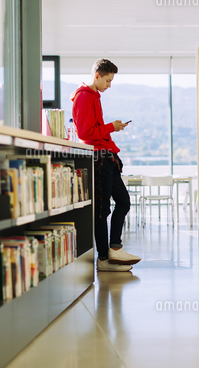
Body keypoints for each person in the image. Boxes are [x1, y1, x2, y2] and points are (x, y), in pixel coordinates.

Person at [70, 59, 141, 272]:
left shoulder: (93, 97)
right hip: (99, 158)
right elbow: (84, 133)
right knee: (102, 210)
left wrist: (111, 128)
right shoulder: (84, 97)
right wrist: (110, 127)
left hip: (106, 156)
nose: (109, 85)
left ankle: (114, 249)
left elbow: (93, 129)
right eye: (108, 80)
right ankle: (104, 258)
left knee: (123, 201)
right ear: (97, 75)